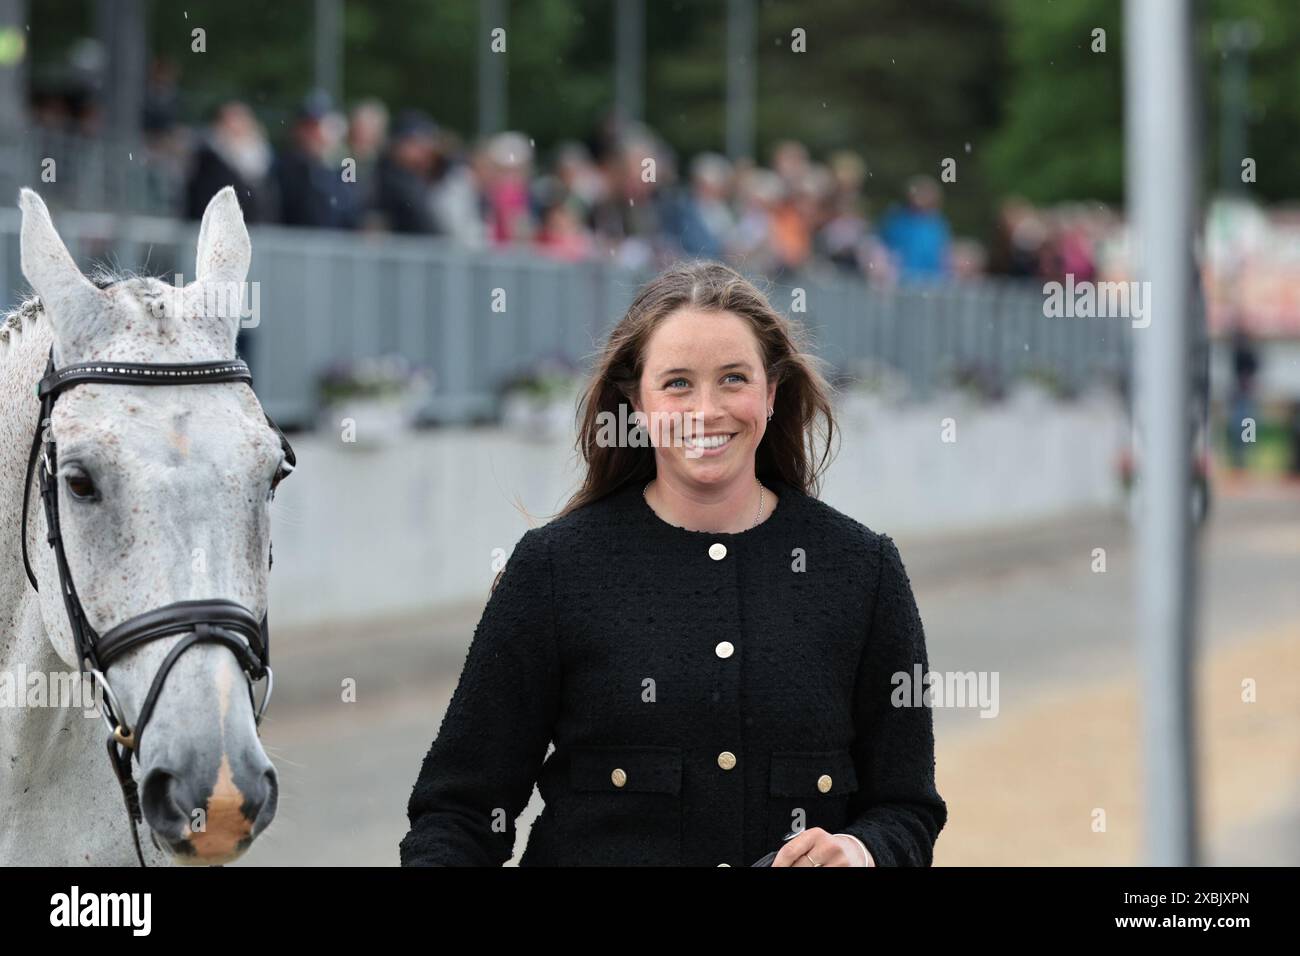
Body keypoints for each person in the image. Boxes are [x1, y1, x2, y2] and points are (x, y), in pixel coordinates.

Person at [399, 260, 947, 867]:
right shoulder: (554, 569)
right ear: (635, 402)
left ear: (771, 392)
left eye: (734, 379)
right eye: (678, 383)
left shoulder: (862, 570)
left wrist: (862, 851)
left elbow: (907, 807)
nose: (707, 410)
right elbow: (458, 813)